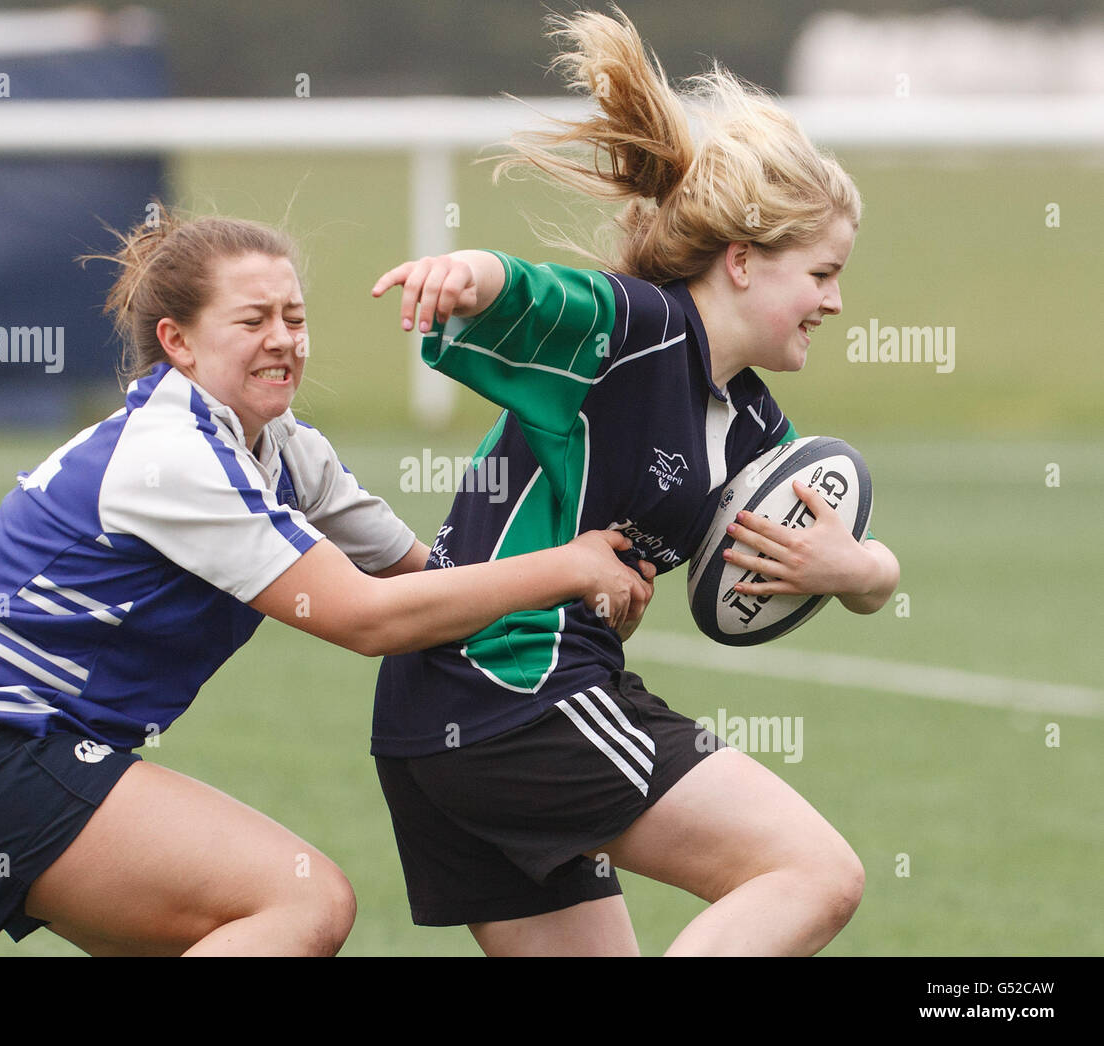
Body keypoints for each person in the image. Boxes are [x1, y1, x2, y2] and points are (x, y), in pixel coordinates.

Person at [0, 207, 654, 956]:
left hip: (32, 751)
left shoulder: (280, 446)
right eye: (253, 321)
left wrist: (574, 585)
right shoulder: (172, 456)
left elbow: (431, 580)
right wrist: (564, 565)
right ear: (176, 342)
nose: (284, 339)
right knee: (302, 898)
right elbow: (368, 619)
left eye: (295, 317)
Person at [369, 8, 901, 956]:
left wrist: (849, 570)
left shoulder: (754, 425)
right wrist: (464, 273)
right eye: (821, 273)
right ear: (742, 261)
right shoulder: (632, 329)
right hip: (514, 688)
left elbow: (864, 574)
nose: (835, 300)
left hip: (446, 715)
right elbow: (530, 290)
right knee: (814, 872)